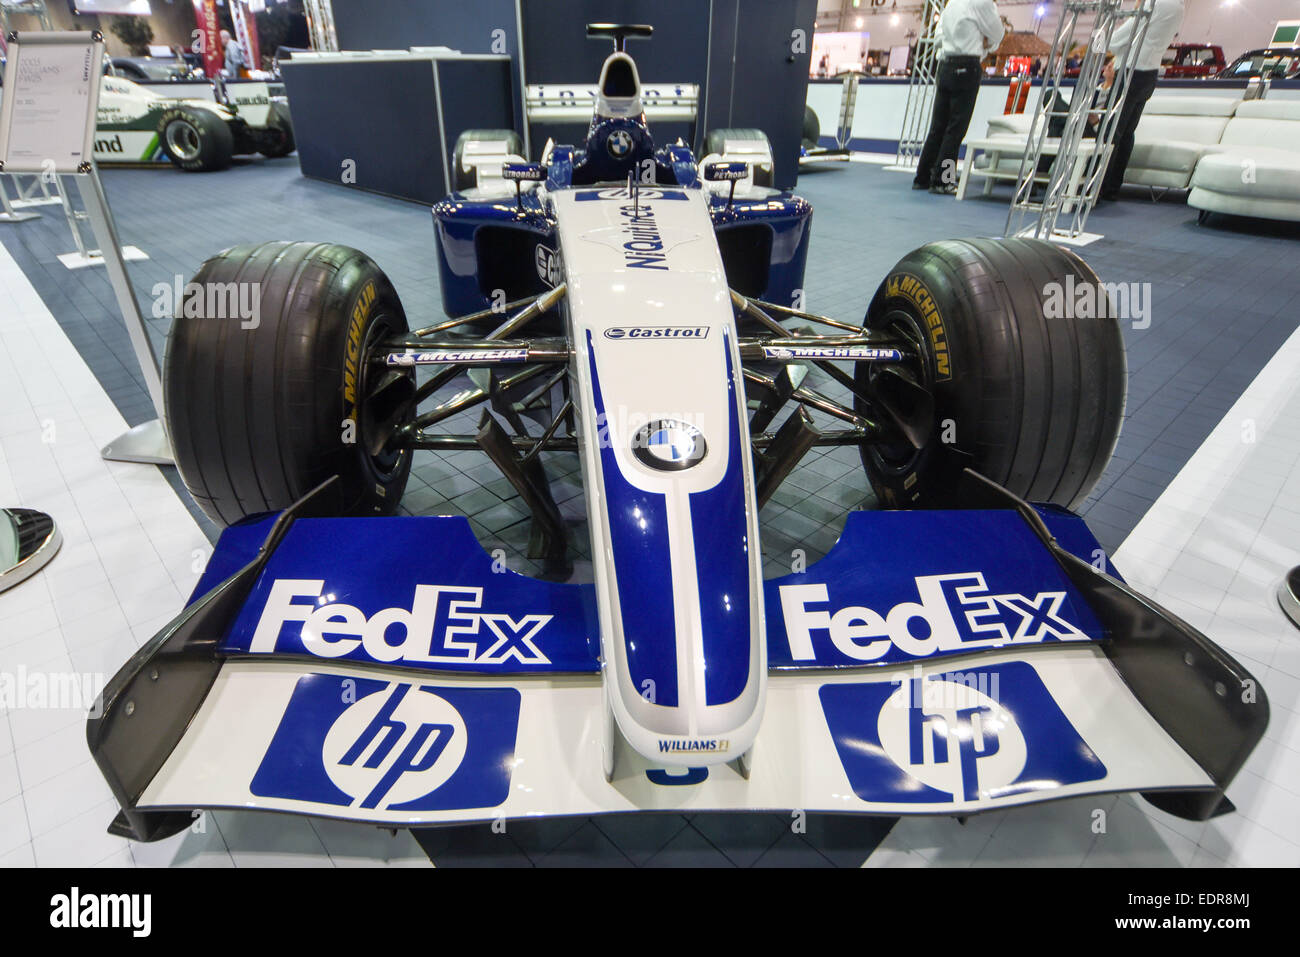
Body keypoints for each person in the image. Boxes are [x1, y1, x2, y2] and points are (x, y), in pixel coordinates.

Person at [912, 0, 1005, 194]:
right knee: (955, 129)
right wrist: (985, 45)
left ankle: (923, 177)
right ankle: (943, 180)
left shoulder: (952, 3)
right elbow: (997, 34)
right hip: (967, 66)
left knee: (937, 127)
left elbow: (938, 38)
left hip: (945, 65)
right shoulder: (983, 3)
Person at [1100, 0, 1185, 200]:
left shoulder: (1154, 4)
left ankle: (1097, 186)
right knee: (1127, 132)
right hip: (1149, 74)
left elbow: (1114, 40)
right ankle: (1112, 187)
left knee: (1111, 132)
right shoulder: (1179, 7)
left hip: (1131, 71)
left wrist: (1136, 10)